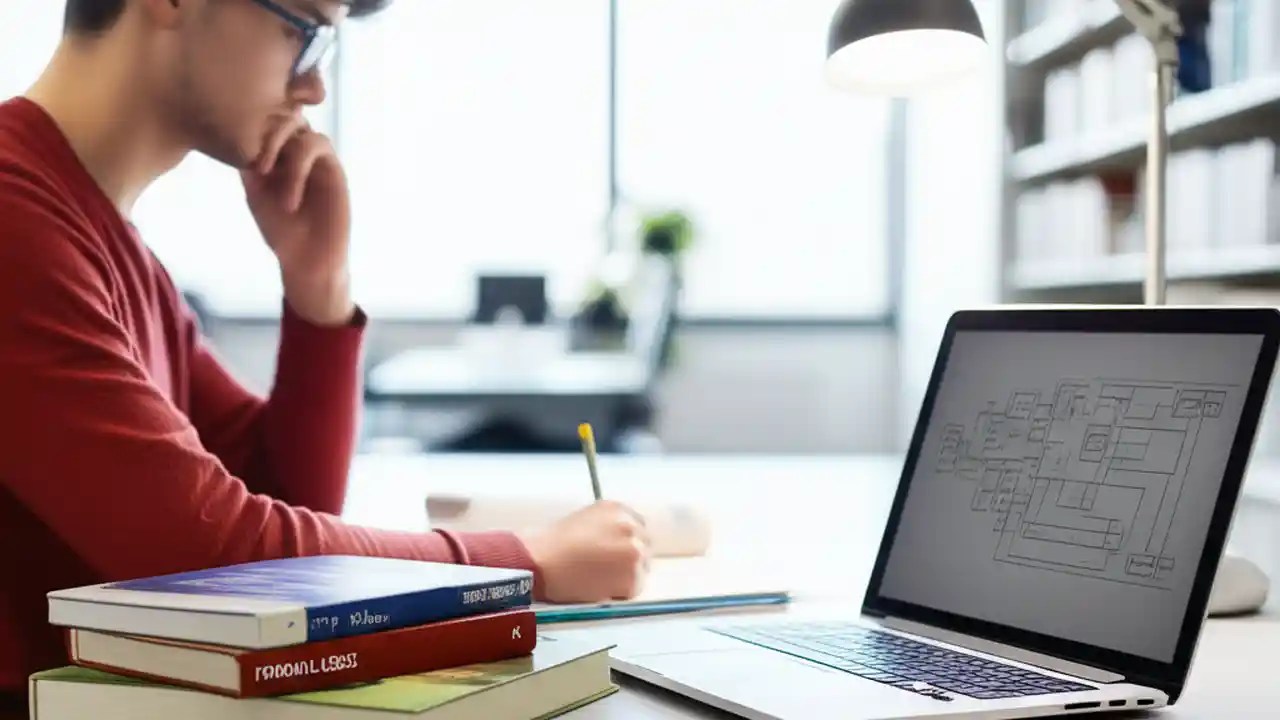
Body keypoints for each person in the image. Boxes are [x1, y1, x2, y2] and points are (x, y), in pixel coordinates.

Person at [0, 0, 651, 711]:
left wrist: (320, 286)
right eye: (302, 30)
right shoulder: (15, 220)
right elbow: (210, 552)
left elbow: (285, 513)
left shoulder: (106, 244)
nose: (313, 88)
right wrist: (521, 563)